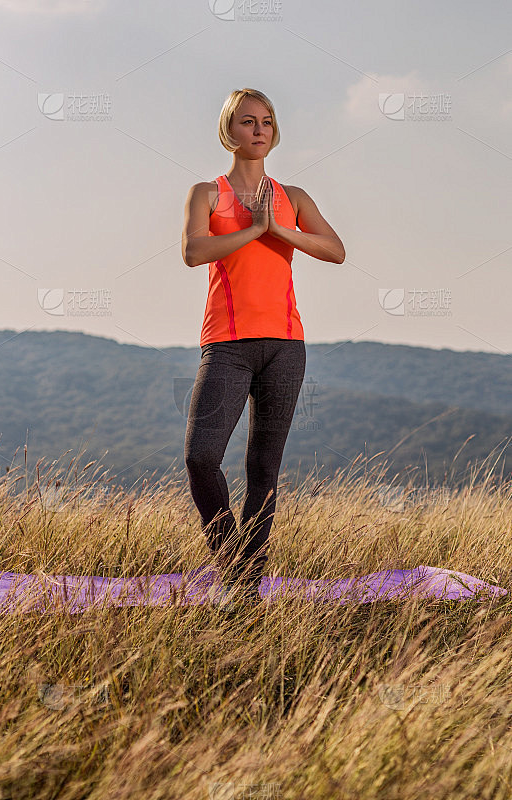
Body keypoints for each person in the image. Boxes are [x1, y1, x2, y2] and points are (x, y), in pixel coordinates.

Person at [181, 88, 345, 605]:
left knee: (263, 467)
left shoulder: (292, 197)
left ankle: (247, 586)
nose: (259, 130)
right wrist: (254, 229)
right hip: (227, 344)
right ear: (229, 130)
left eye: (267, 121)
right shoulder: (206, 193)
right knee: (201, 456)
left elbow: (336, 250)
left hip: (286, 345)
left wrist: (278, 228)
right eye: (248, 121)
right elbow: (193, 252)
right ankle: (233, 562)